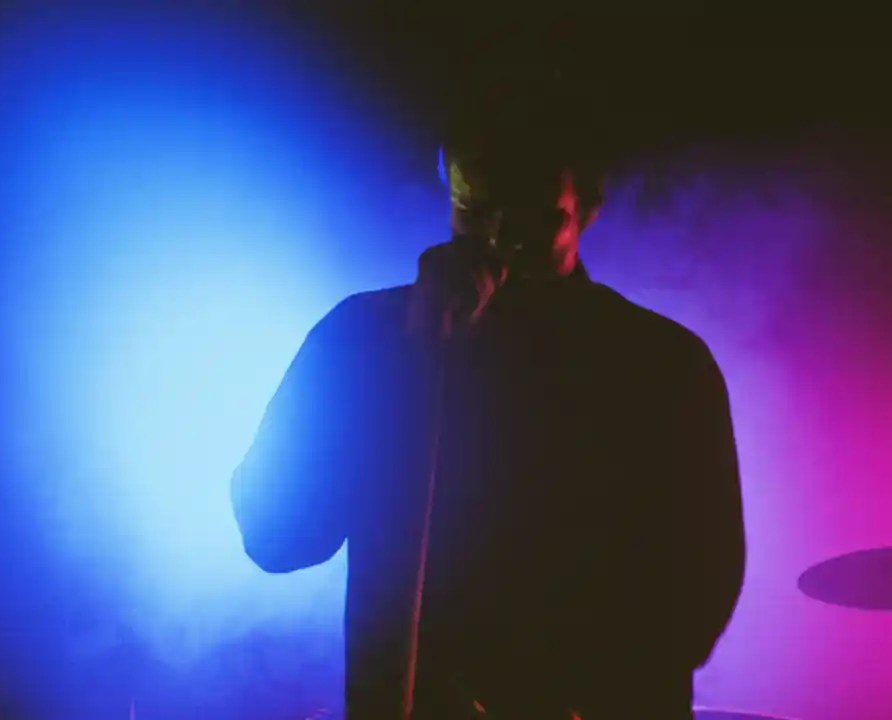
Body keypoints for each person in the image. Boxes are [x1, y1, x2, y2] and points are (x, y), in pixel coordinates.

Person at [231, 74, 746, 719]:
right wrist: (397, 366)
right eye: (476, 212)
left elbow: (697, 592)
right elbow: (278, 534)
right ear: (449, 188)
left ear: (588, 205)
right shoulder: (368, 338)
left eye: (535, 218)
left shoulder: (662, 365)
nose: (502, 242)